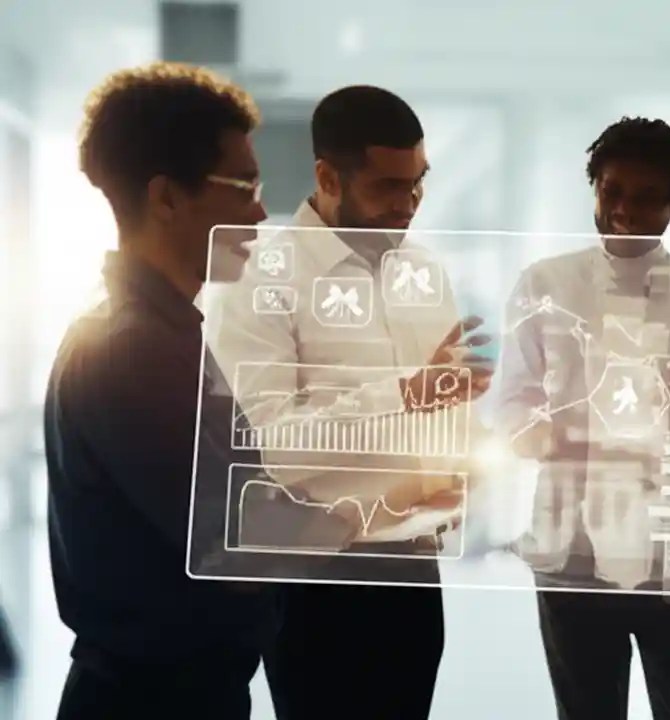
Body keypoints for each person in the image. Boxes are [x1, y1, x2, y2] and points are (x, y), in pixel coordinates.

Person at [43, 62, 352, 720]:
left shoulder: (163, 332)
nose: (261, 209)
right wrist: (383, 503)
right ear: (166, 197)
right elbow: (238, 540)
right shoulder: (129, 348)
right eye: (243, 184)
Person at [205, 85, 491, 719]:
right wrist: (407, 393)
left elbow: (434, 418)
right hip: (317, 582)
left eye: (418, 184)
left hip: (414, 573)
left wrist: (460, 454)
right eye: (389, 187)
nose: (410, 204)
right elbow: (270, 446)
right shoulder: (261, 276)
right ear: (328, 177)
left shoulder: (424, 272)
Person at [495, 117, 670, 720]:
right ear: (595, 187)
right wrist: (540, 437)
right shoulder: (545, 284)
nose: (624, 210)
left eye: (648, 196)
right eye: (611, 192)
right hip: (571, 547)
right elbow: (512, 399)